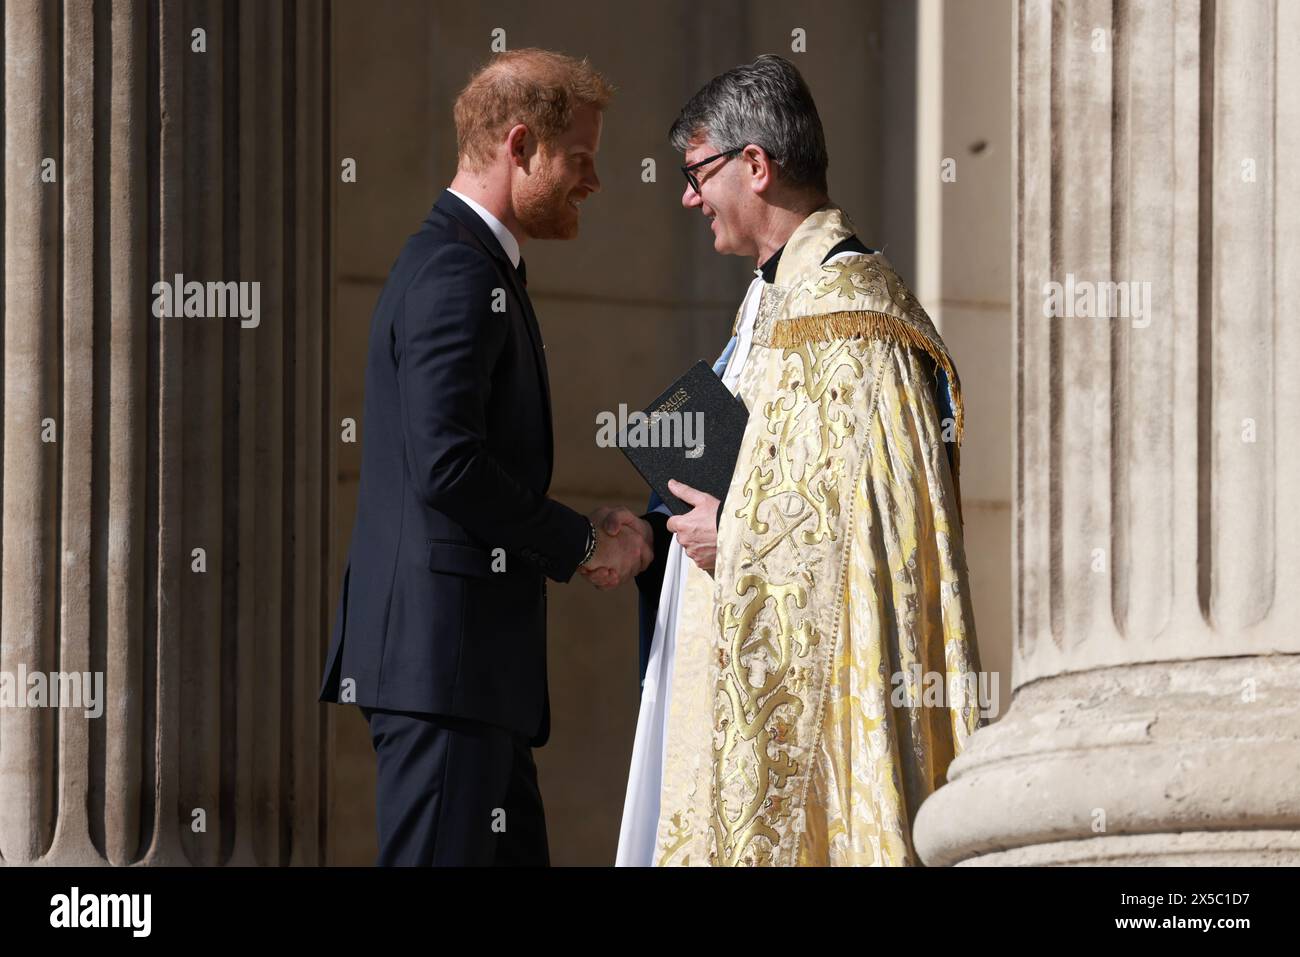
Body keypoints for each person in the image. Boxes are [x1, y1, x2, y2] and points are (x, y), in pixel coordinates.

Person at [611, 54, 985, 866]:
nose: (686, 195)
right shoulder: (770, 302)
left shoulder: (857, 322)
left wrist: (734, 535)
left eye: (697, 172)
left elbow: (875, 549)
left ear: (756, 165)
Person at [318, 49, 650, 867]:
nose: (594, 182)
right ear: (520, 145)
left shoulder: (476, 265)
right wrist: (578, 542)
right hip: (442, 676)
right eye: (581, 159)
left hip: (471, 682)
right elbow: (448, 465)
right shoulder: (457, 272)